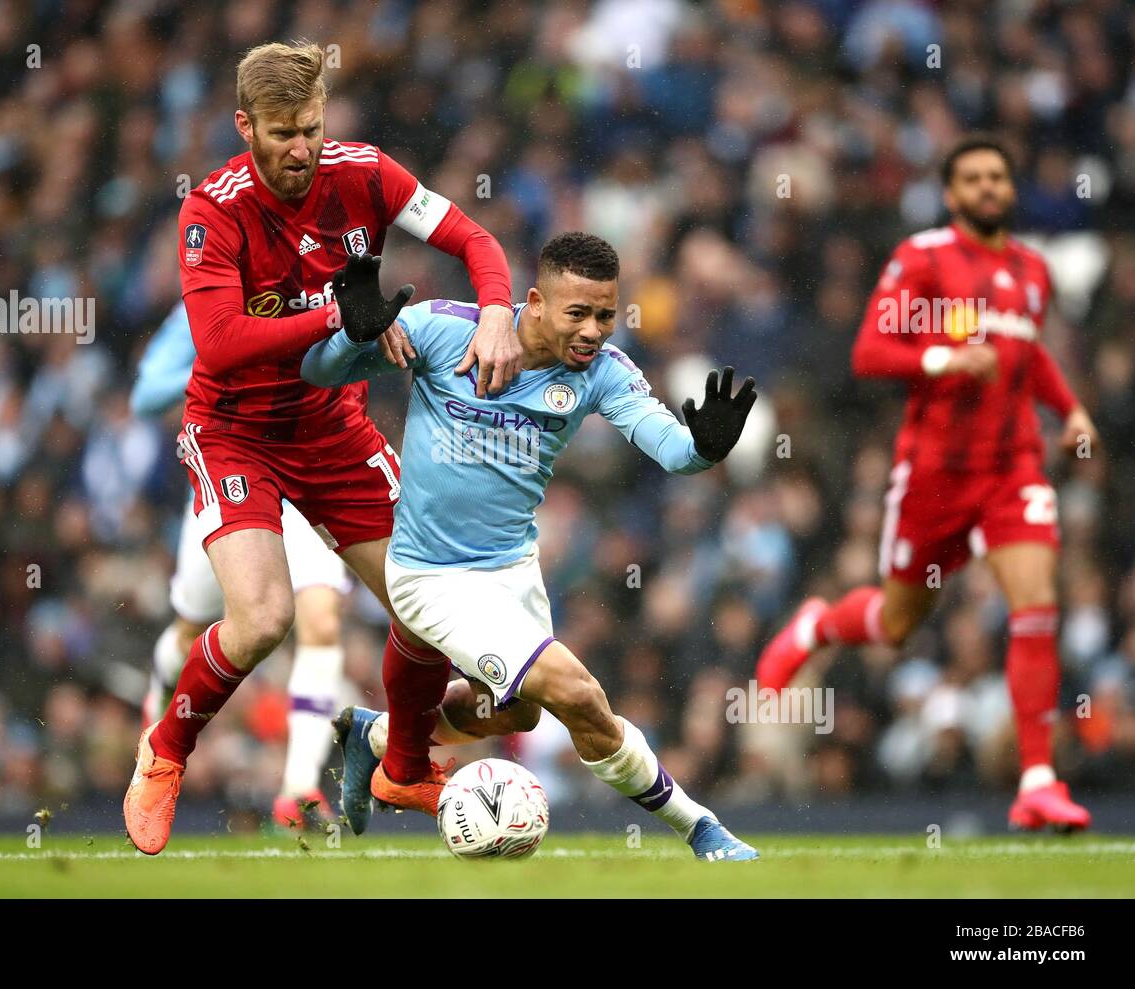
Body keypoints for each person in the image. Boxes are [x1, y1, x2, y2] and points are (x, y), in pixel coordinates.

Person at [124, 40, 522, 855]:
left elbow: (476, 240)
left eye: (310, 128)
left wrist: (494, 311)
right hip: (236, 433)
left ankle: (398, 760)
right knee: (264, 617)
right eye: (280, 133)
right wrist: (339, 319)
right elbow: (225, 342)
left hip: (334, 433)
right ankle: (165, 750)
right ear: (245, 127)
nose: (300, 148)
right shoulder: (212, 208)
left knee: (430, 606)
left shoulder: (366, 175)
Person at [303, 233, 761, 861]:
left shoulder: (603, 373)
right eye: (578, 313)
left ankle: (374, 736)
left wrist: (705, 448)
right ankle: (700, 827)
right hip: (430, 577)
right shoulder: (443, 330)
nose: (594, 330)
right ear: (537, 301)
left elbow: (673, 451)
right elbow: (317, 371)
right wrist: (353, 335)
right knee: (577, 696)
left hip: (513, 571)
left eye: (605, 314)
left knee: (517, 715)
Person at [756, 135, 1097, 831]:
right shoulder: (923, 258)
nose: (988, 187)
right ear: (951, 193)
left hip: (1013, 469)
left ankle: (1036, 779)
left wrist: (1072, 410)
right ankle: (819, 622)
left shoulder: (1033, 268)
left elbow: (1028, 360)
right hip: (935, 474)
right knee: (897, 622)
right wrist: (941, 356)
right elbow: (869, 351)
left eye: (998, 176)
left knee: (1036, 601)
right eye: (972, 178)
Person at [130, 300, 352, 831]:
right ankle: (158, 710)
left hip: (310, 470)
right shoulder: (207, 304)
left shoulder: (324, 277)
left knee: (320, 620)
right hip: (231, 474)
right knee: (194, 628)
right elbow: (145, 396)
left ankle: (298, 790)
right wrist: (242, 360)